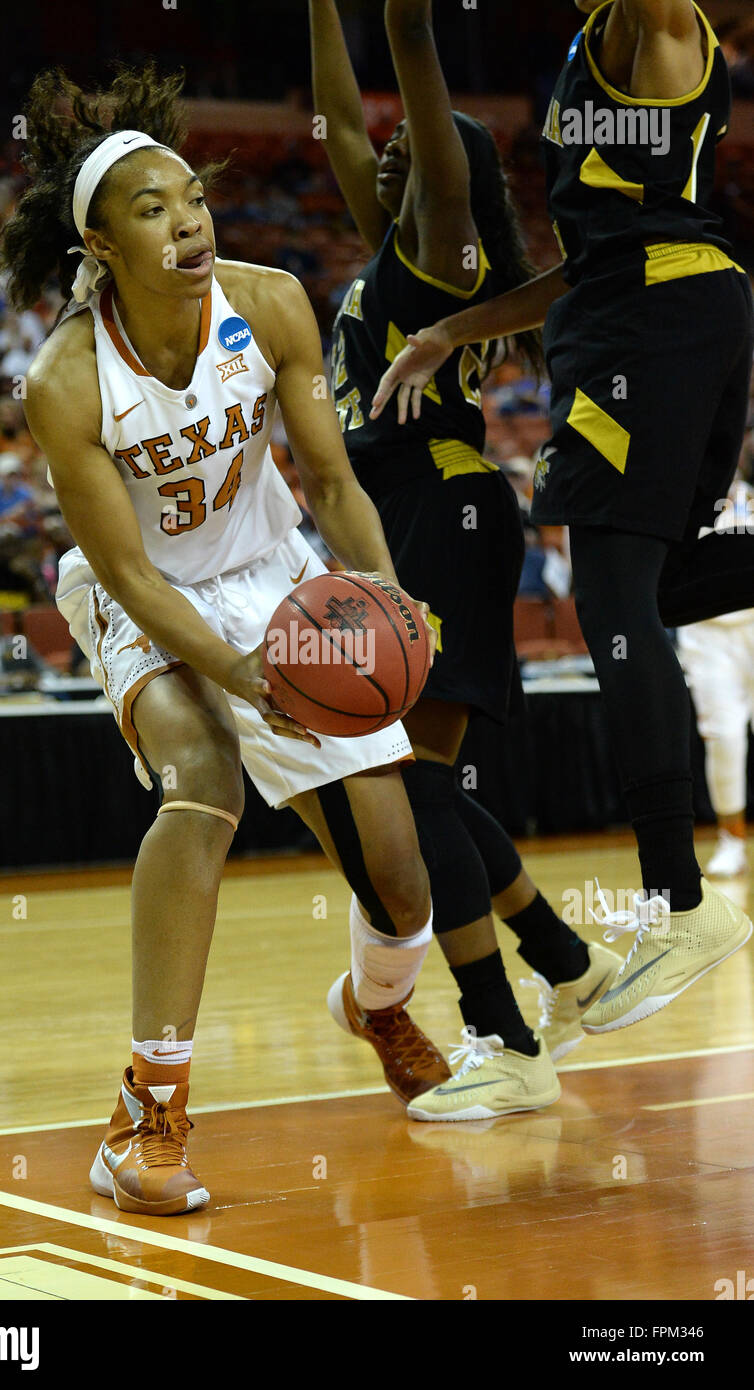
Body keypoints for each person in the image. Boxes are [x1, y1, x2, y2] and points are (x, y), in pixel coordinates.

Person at [0, 63, 451, 1217]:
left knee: (399, 884)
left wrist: (389, 603)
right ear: (98, 245)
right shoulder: (65, 380)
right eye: (152, 209)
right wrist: (247, 680)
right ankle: (146, 1114)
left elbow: (335, 485)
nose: (187, 218)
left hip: (278, 576)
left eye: (190, 195)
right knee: (202, 779)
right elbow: (134, 571)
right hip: (139, 597)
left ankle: (379, 1002)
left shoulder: (273, 302)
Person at [372, 0, 754, 1034]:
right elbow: (579, 264)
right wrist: (447, 330)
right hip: (647, 307)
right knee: (657, 585)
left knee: (612, 597)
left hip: (653, 318)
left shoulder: (652, 28)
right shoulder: (595, 48)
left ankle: (677, 897)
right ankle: (678, 894)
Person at [310, 0, 621, 1121]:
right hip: (405, 519)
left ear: (445, 170)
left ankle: (503, 1033)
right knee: (420, 785)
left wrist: (403, 22)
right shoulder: (391, 247)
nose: (387, 147)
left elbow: (414, 109)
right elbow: (340, 125)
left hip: (448, 508)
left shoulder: (451, 249)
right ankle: (565, 965)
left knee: (410, 786)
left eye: (414, 144)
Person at [677, 478, 754, 877]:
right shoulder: (680, 492)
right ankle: (732, 839)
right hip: (706, 631)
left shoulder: (746, 491)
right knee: (725, 737)